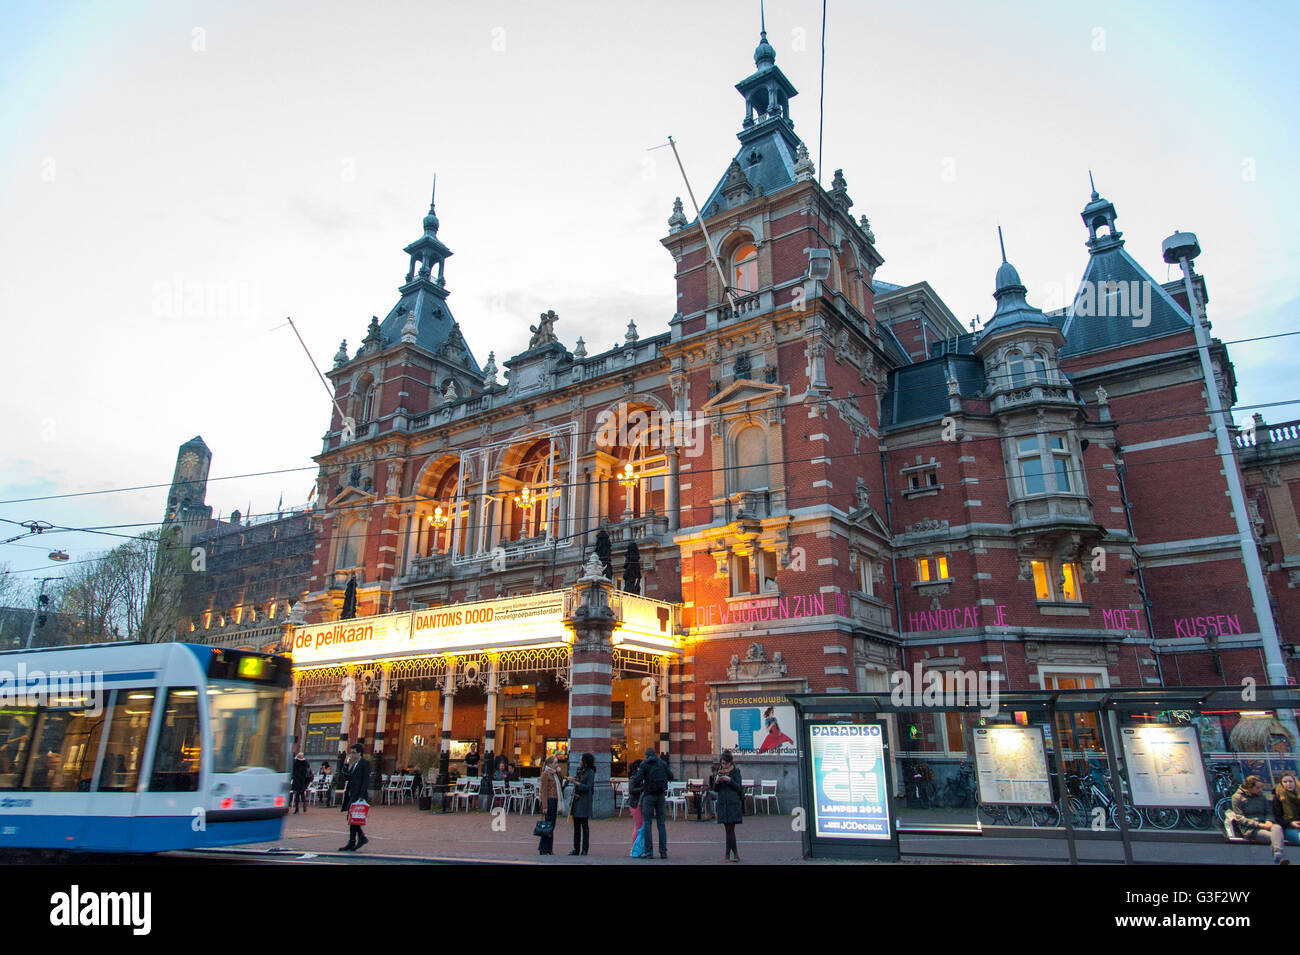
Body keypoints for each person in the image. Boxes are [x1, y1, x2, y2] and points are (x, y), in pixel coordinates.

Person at [1231, 774, 1288, 864]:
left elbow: (1269, 811)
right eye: (1257, 788)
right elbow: (1240, 818)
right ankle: (1279, 857)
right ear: (1249, 787)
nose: (1260, 790)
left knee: (1277, 827)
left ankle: (1278, 855)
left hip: (1265, 823)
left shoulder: (1261, 796)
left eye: (1261, 787)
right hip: (1252, 828)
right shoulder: (1237, 797)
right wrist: (1259, 824)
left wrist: (1268, 820)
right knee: (1273, 837)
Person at [631, 747, 672, 859]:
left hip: (648, 795)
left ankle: (649, 852)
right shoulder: (662, 763)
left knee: (648, 824)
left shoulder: (644, 764)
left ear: (647, 755)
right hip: (660, 795)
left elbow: (638, 779)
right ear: (655, 754)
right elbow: (671, 776)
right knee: (661, 824)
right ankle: (663, 852)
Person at [338, 743, 371, 852]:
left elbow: (365, 780)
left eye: (353, 753)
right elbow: (347, 776)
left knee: (352, 818)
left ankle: (356, 840)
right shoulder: (353, 764)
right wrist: (347, 765)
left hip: (358, 794)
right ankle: (358, 839)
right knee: (352, 818)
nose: (351, 755)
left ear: (359, 753)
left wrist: (362, 796)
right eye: (351, 752)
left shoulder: (364, 764)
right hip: (351, 793)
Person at [713, 750, 744, 862]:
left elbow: (739, 787)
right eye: (722, 763)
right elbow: (715, 789)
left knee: (730, 830)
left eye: (725, 763)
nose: (723, 765)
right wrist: (717, 781)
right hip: (723, 804)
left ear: (730, 763)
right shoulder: (719, 772)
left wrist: (729, 780)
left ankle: (728, 855)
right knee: (729, 830)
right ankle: (735, 855)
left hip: (732, 804)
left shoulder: (736, 772)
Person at [569, 752, 596, 856]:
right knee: (576, 827)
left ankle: (584, 849)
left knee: (584, 826)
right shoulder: (579, 771)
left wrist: (576, 783)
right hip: (576, 800)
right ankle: (576, 848)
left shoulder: (590, 773)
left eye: (581, 760)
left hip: (584, 801)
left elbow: (588, 787)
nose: (579, 762)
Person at [537, 755, 560, 855]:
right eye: (555, 763)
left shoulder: (555, 774)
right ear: (550, 764)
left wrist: (559, 772)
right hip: (549, 800)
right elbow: (544, 791)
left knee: (552, 825)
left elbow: (561, 781)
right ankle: (545, 848)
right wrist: (544, 805)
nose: (557, 764)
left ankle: (546, 847)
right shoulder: (546, 774)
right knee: (549, 825)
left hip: (554, 800)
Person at [1274, 772, 1300, 846]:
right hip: (1287, 827)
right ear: (1281, 784)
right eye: (1285, 782)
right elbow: (1277, 818)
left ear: (1295, 782)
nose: (1288, 784)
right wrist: (1290, 823)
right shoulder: (1278, 797)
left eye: (1290, 781)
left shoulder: (1298, 796)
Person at [627, 758, 645, 847]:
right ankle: (634, 847)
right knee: (638, 826)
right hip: (635, 804)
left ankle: (638, 846)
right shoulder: (634, 778)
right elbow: (631, 790)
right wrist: (643, 788)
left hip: (638, 803)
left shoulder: (638, 778)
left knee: (639, 825)